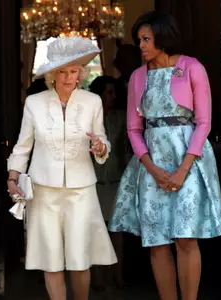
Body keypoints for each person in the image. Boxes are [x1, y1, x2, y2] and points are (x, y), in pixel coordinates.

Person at [108, 11, 221, 300]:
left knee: (186, 238)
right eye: (139, 40)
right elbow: (134, 129)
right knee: (157, 242)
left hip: (189, 161)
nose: (141, 45)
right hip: (151, 166)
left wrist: (183, 169)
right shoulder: (137, 77)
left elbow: (204, 123)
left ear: (163, 37)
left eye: (146, 39)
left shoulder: (191, 67)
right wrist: (150, 167)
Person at [6, 36, 117, 300]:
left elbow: (101, 140)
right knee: (51, 259)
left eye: (74, 71)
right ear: (52, 74)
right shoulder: (34, 103)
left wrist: (101, 148)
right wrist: (13, 178)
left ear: (81, 72)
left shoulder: (93, 102)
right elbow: (23, 145)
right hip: (44, 190)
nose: (69, 77)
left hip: (81, 189)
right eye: (63, 71)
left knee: (80, 259)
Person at [88, 75, 130, 292]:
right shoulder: (87, 120)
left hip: (116, 179)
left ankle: (118, 274)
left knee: (117, 231)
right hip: (93, 181)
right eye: (108, 93)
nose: (112, 97)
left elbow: (126, 148)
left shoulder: (121, 118)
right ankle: (97, 276)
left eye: (114, 93)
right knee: (95, 229)